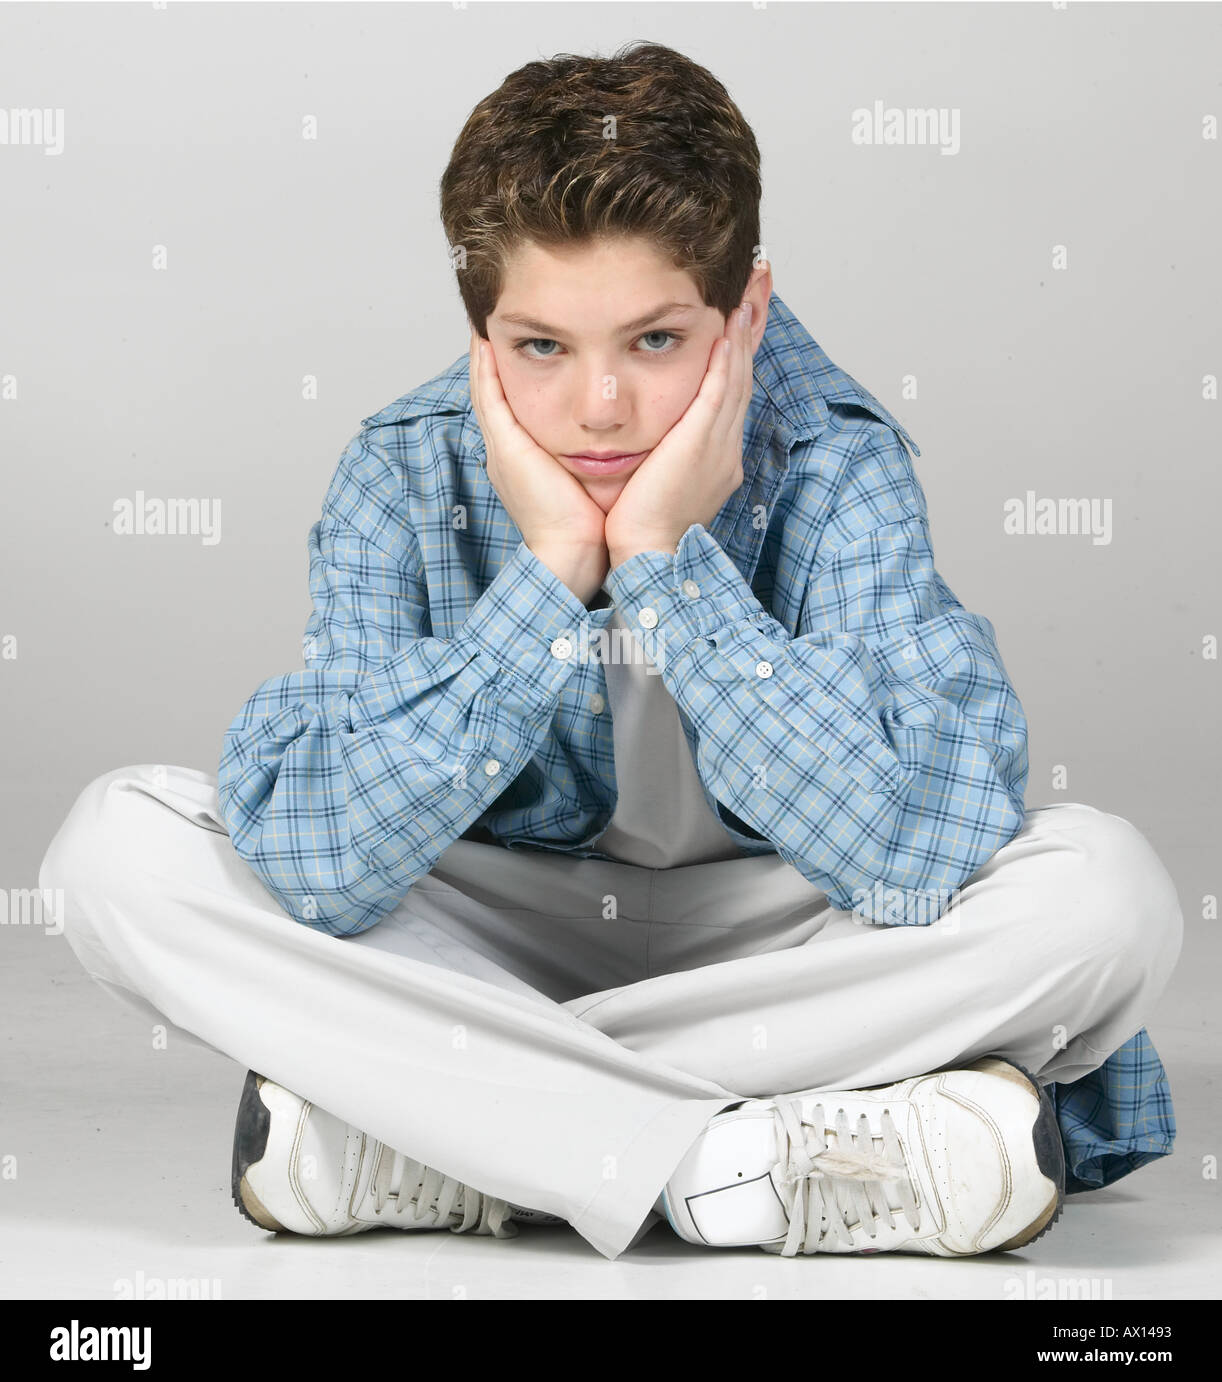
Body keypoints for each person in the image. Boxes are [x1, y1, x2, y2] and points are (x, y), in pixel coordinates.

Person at [38, 41, 1182, 1264]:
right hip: (510, 935)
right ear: (480, 327)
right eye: (540, 347)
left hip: (779, 936)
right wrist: (541, 580)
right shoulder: (404, 464)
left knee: (1101, 894)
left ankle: (448, 1128)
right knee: (120, 850)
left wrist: (661, 560)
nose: (598, 410)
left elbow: (915, 843)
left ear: (743, 310)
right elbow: (323, 861)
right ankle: (743, 1167)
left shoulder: (835, 458)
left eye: (652, 342)